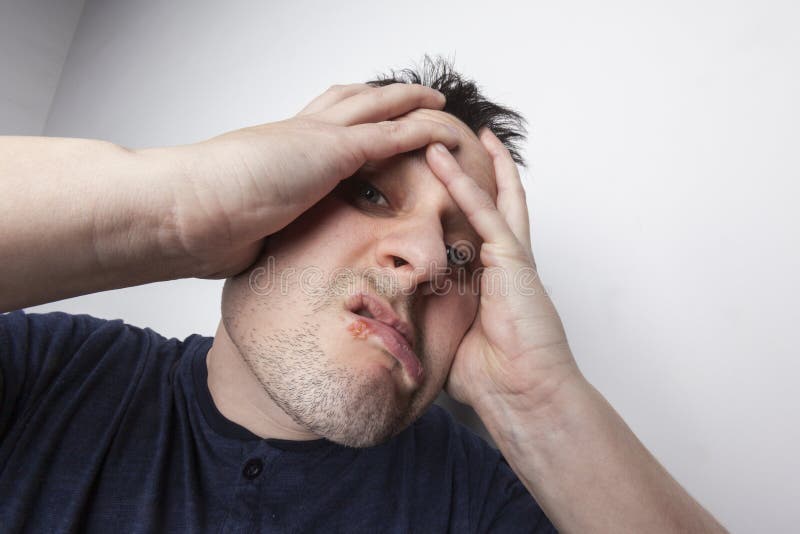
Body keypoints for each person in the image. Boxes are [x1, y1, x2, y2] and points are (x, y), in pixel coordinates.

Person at [0, 57, 725, 533]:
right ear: (269, 204)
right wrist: (180, 210)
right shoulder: (44, 374)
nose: (426, 258)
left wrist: (535, 400)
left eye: (465, 257)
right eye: (371, 192)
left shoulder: (481, 504)